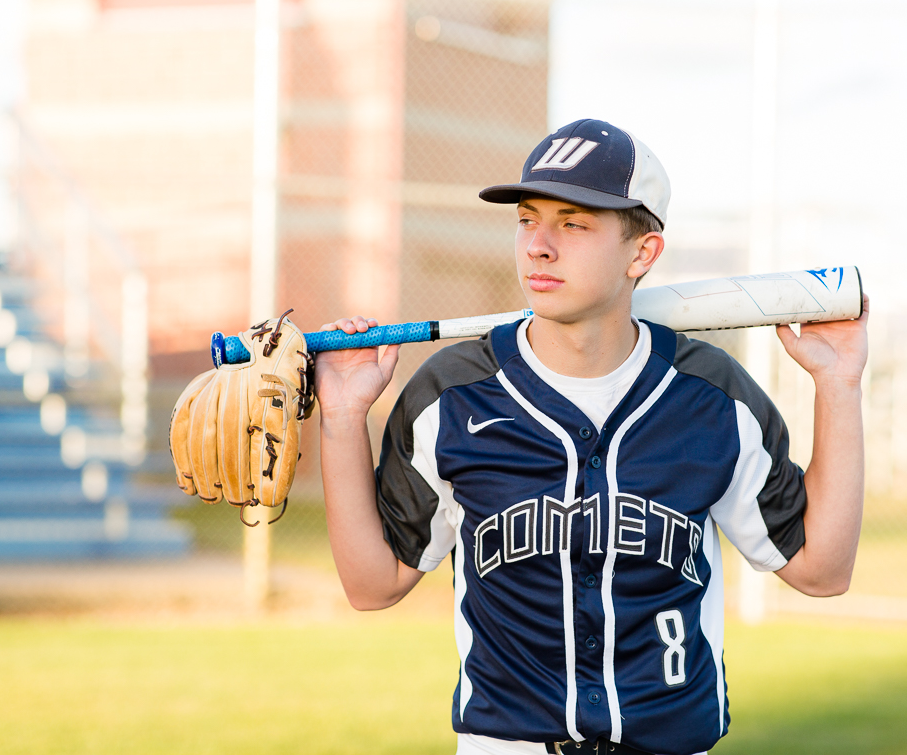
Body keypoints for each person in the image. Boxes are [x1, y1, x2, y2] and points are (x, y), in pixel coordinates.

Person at [315, 119, 868, 755]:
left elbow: (822, 571)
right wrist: (341, 417)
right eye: (527, 219)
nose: (538, 246)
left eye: (573, 224)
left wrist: (839, 383)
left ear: (643, 253)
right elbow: (372, 585)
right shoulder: (453, 395)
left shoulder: (712, 398)